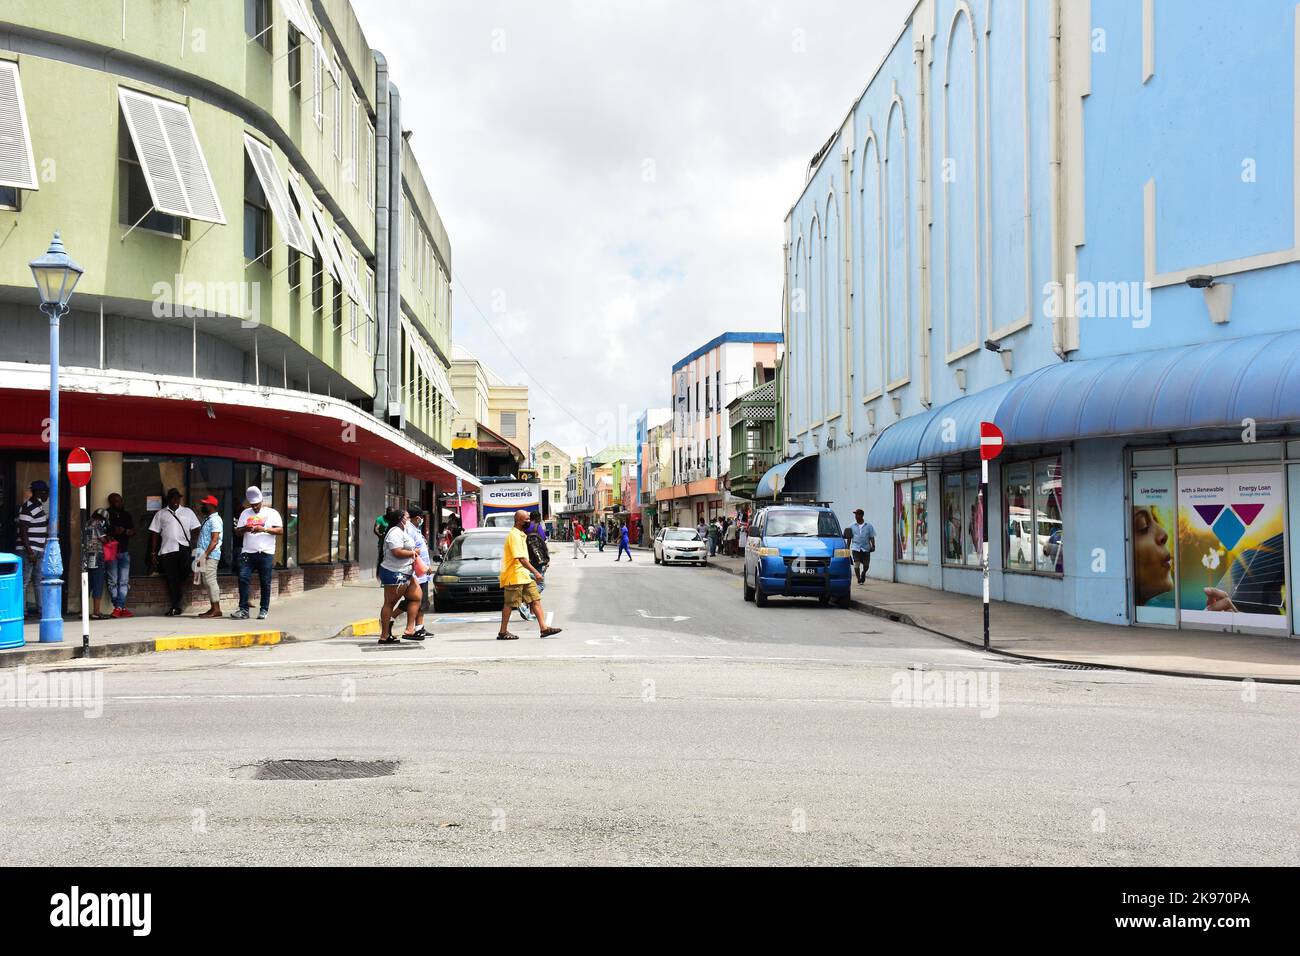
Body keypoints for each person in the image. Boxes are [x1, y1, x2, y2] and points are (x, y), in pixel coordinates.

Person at [498, 509, 562, 640]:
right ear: (518, 521)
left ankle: (544, 629)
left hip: (523, 575)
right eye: (526, 519)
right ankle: (503, 632)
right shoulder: (514, 535)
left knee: (535, 599)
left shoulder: (521, 534)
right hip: (514, 575)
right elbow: (521, 559)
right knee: (509, 604)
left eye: (529, 518)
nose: (529, 521)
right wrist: (536, 572)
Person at [232, 486, 283, 620]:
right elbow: (237, 532)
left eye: (257, 505)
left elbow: (280, 530)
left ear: (262, 501)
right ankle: (243, 610)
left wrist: (263, 529)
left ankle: (264, 609)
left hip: (265, 553)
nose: (254, 507)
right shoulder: (245, 513)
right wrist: (245, 528)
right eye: (252, 505)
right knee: (243, 579)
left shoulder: (272, 513)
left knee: (265, 582)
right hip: (248, 552)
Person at [149, 488, 200, 617]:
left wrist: (197, 547)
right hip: (167, 549)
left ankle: (178, 590)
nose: (175, 500)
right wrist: (153, 553)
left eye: (177, 498)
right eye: (173, 498)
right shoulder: (161, 514)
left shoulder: (188, 512)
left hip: (183, 547)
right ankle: (175, 606)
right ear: (169, 499)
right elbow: (155, 533)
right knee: (171, 579)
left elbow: (196, 530)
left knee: (185, 571)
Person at [377, 508, 422, 643]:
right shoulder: (394, 533)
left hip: (406, 572)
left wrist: (414, 551)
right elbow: (396, 552)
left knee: (416, 597)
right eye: (407, 517)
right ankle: (384, 635)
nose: (409, 520)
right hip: (395, 572)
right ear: (400, 519)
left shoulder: (403, 532)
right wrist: (413, 553)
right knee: (389, 603)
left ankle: (409, 629)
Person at [15, 479, 49, 618]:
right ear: (38, 492)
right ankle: (22, 611)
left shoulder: (39, 506)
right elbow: (23, 530)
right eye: (45, 492)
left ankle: (41, 610)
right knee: (24, 581)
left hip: (38, 549)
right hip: (29, 550)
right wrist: (29, 552)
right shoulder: (28, 508)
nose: (47, 495)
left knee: (38, 580)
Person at [104, 492, 136, 617]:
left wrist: (126, 531)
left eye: (120, 500)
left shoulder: (126, 515)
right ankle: (119, 607)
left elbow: (133, 531)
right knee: (112, 580)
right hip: (111, 550)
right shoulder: (106, 514)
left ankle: (119, 607)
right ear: (111, 503)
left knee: (123, 581)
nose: (120, 503)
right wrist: (114, 531)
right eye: (116, 501)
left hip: (124, 550)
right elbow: (102, 531)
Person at [407, 506, 433, 640]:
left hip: (422, 573)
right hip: (418, 573)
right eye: (420, 517)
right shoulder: (409, 530)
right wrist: (424, 567)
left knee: (422, 603)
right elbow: (413, 553)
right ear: (416, 518)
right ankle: (410, 628)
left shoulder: (416, 530)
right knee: (415, 602)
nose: (421, 520)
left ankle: (420, 627)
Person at [195, 495, 223, 618]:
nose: (203, 506)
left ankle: (216, 609)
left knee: (210, 580)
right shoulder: (208, 519)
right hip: (205, 555)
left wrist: (205, 555)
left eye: (205, 504)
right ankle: (213, 607)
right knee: (207, 581)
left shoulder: (215, 520)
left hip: (210, 555)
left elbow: (215, 540)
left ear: (211, 506)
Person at [83, 508, 110, 620]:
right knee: (97, 583)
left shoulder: (86, 523)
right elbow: (104, 540)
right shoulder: (97, 524)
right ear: (101, 518)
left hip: (85, 556)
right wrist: (108, 538)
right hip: (97, 556)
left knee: (86, 584)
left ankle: (83, 611)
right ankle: (96, 611)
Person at [847, 508, 877, 584]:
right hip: (855, 547)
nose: (856, 516)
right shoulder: (851, 526)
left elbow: (871, 536)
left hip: (866, 548)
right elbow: (849, 538)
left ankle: (863, 573)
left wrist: (873, 546)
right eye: (855, 514)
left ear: (862, 515)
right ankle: (859, 579)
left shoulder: (868, 526)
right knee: (856, 563)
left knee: (866, 565)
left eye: (857, 514)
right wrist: (847, 548)